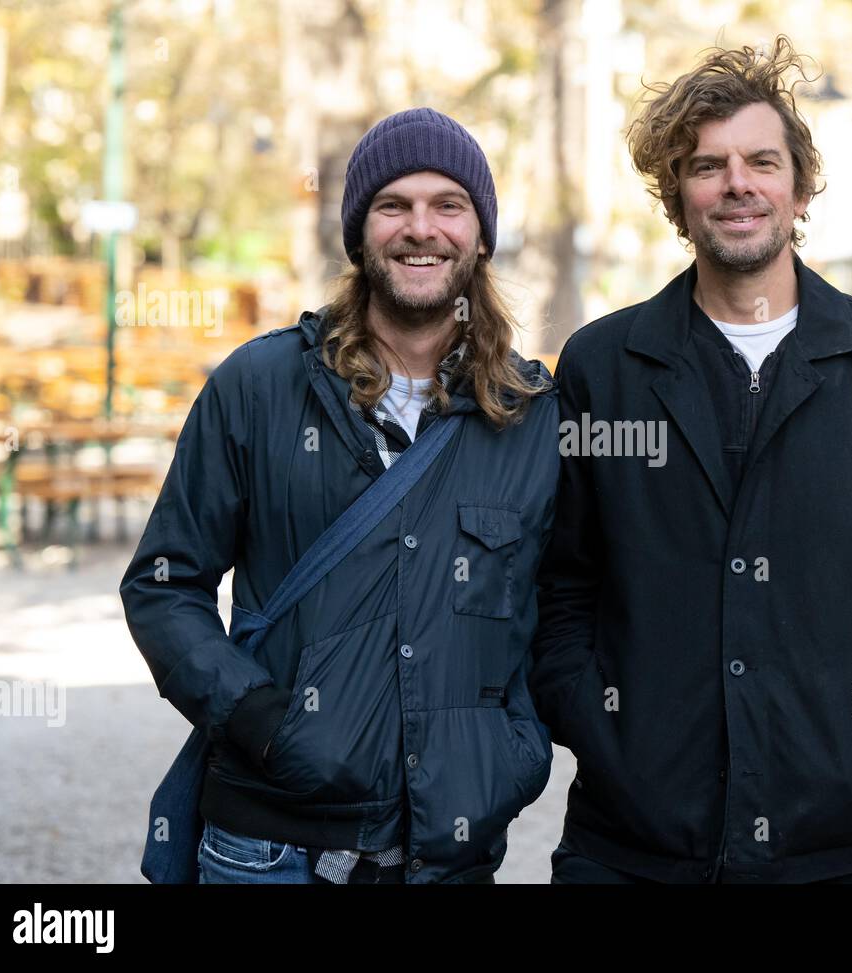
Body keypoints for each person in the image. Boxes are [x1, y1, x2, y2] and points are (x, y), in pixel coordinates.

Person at [529, 37, 852, 884]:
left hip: (840, 848)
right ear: (675, 194)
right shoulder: (602, 367)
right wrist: (596, 718)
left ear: (798, 189)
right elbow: (557, 577)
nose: (737, 184)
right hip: (633, 847)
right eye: (707, 165)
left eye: (762, 160)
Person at [121, 108, 559, 884]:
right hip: (268, 849)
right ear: (360, 234)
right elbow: (164, 585)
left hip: (450, 856)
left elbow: (565, 605)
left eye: (448, 204)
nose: (421, 228)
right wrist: (258, 719)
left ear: (481, 235)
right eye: (393, 205)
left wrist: (512, 747)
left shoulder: (532, 415)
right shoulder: (259, 386)